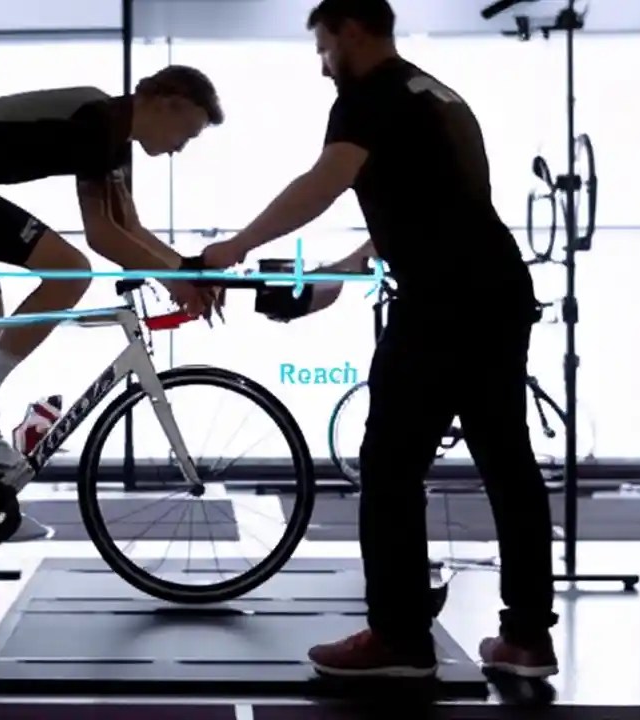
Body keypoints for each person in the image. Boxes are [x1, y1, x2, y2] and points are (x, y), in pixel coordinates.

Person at [202, 0, 559, 679]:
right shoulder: (437, 93)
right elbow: (445, 204)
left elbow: (322, 184)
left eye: (323, 46)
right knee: (509, 466)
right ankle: (526, 639)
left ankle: (398, 638)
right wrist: (347, 268)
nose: (321, 64)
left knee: (391, 468)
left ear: (352, 30)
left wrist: (236, 245)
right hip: (497, 292)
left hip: (441, 305)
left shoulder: (367, 96)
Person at [0, 66, 224, 469]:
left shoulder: (116, 135)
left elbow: (129, 227)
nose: (180, 148)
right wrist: (175, 280)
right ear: (166, 104)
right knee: (70, 270)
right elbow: (102, 235)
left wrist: (189, 271)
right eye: (186, 135)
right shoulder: (99, 120)